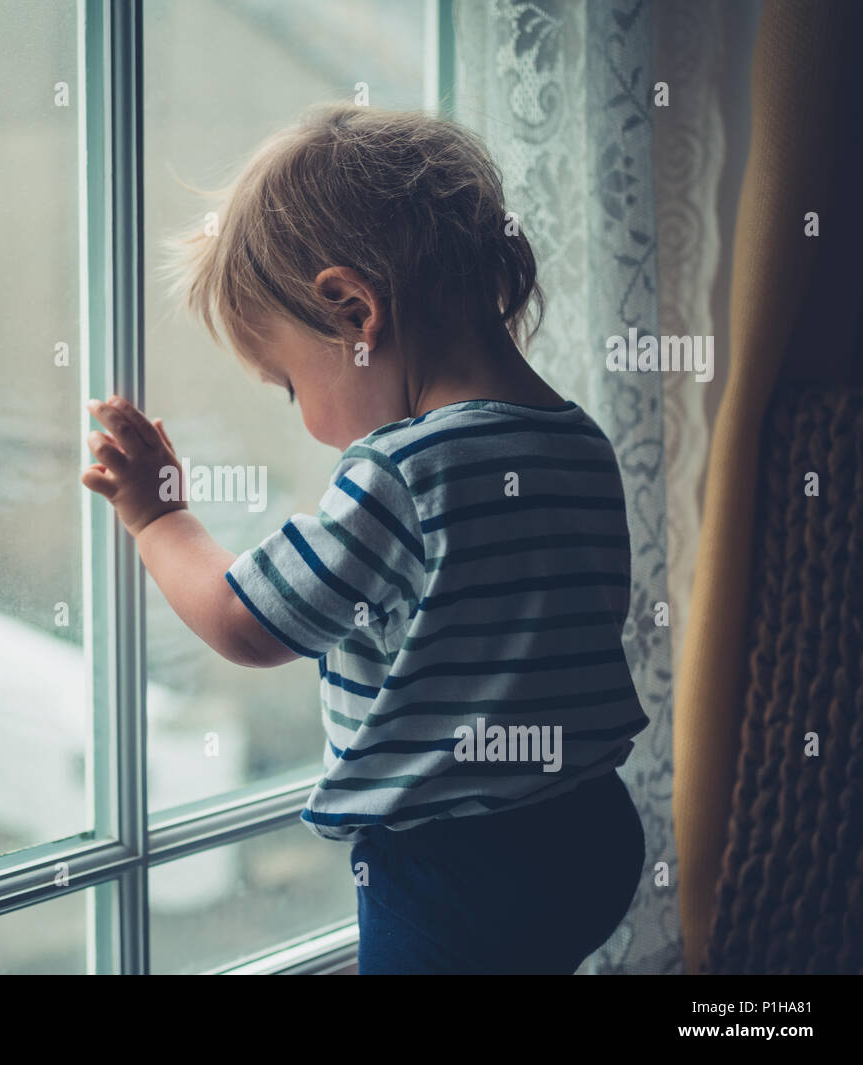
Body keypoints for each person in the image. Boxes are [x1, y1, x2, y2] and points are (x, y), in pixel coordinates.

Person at [82, 103, 646, 974]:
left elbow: (247, 620)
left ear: (352, 313)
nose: (304, 418)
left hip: (458, 866)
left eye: (287, 384)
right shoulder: (579, 442)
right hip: (591, 832)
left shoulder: (402, 471)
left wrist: (159, 516)